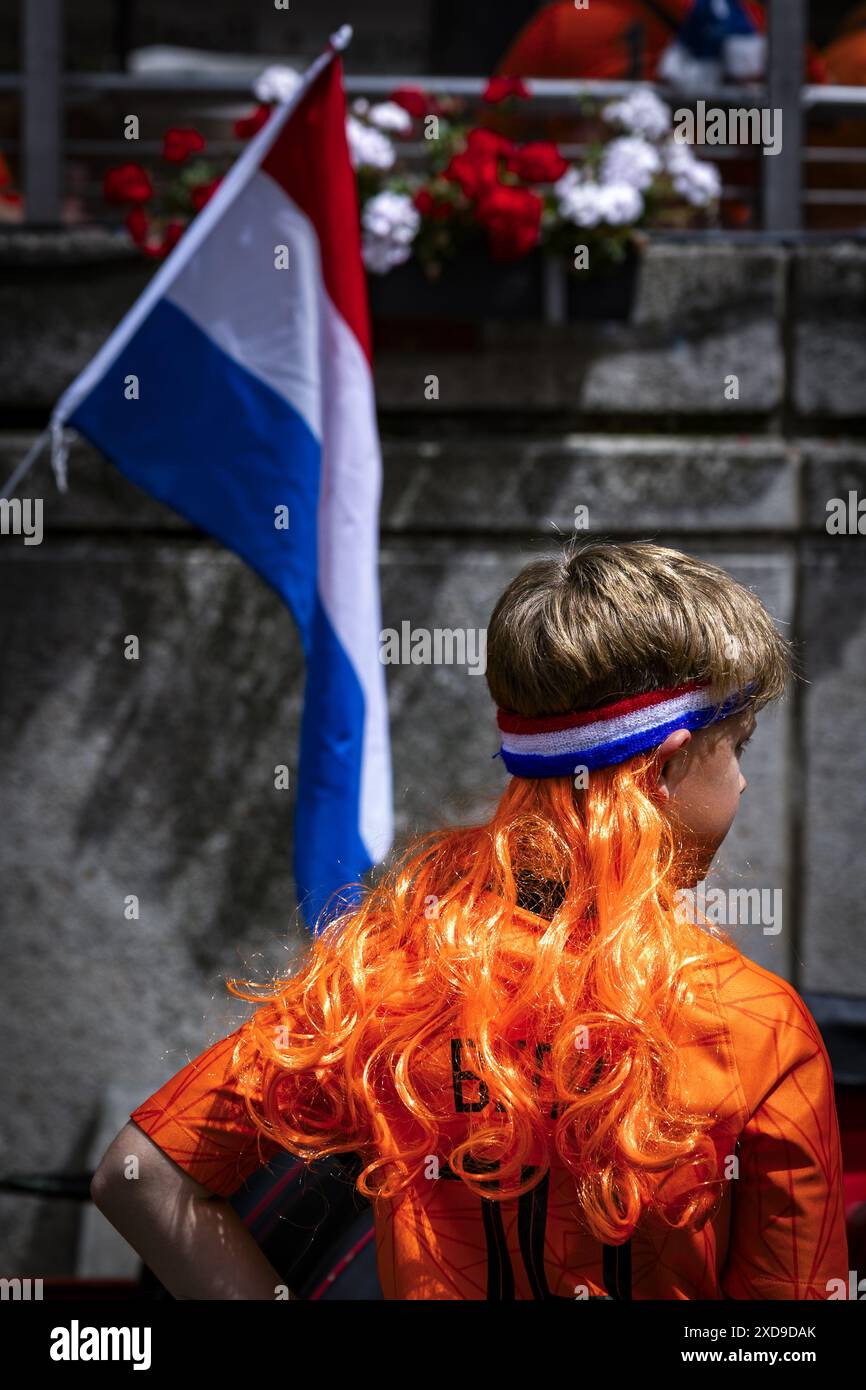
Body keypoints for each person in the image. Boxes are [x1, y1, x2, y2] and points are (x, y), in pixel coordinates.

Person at [91, 539, 849, 1299]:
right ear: (666, 766)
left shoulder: (388, 979)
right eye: (736, 746)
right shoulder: (760, 1028)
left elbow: (140, 1177)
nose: (744, 784)